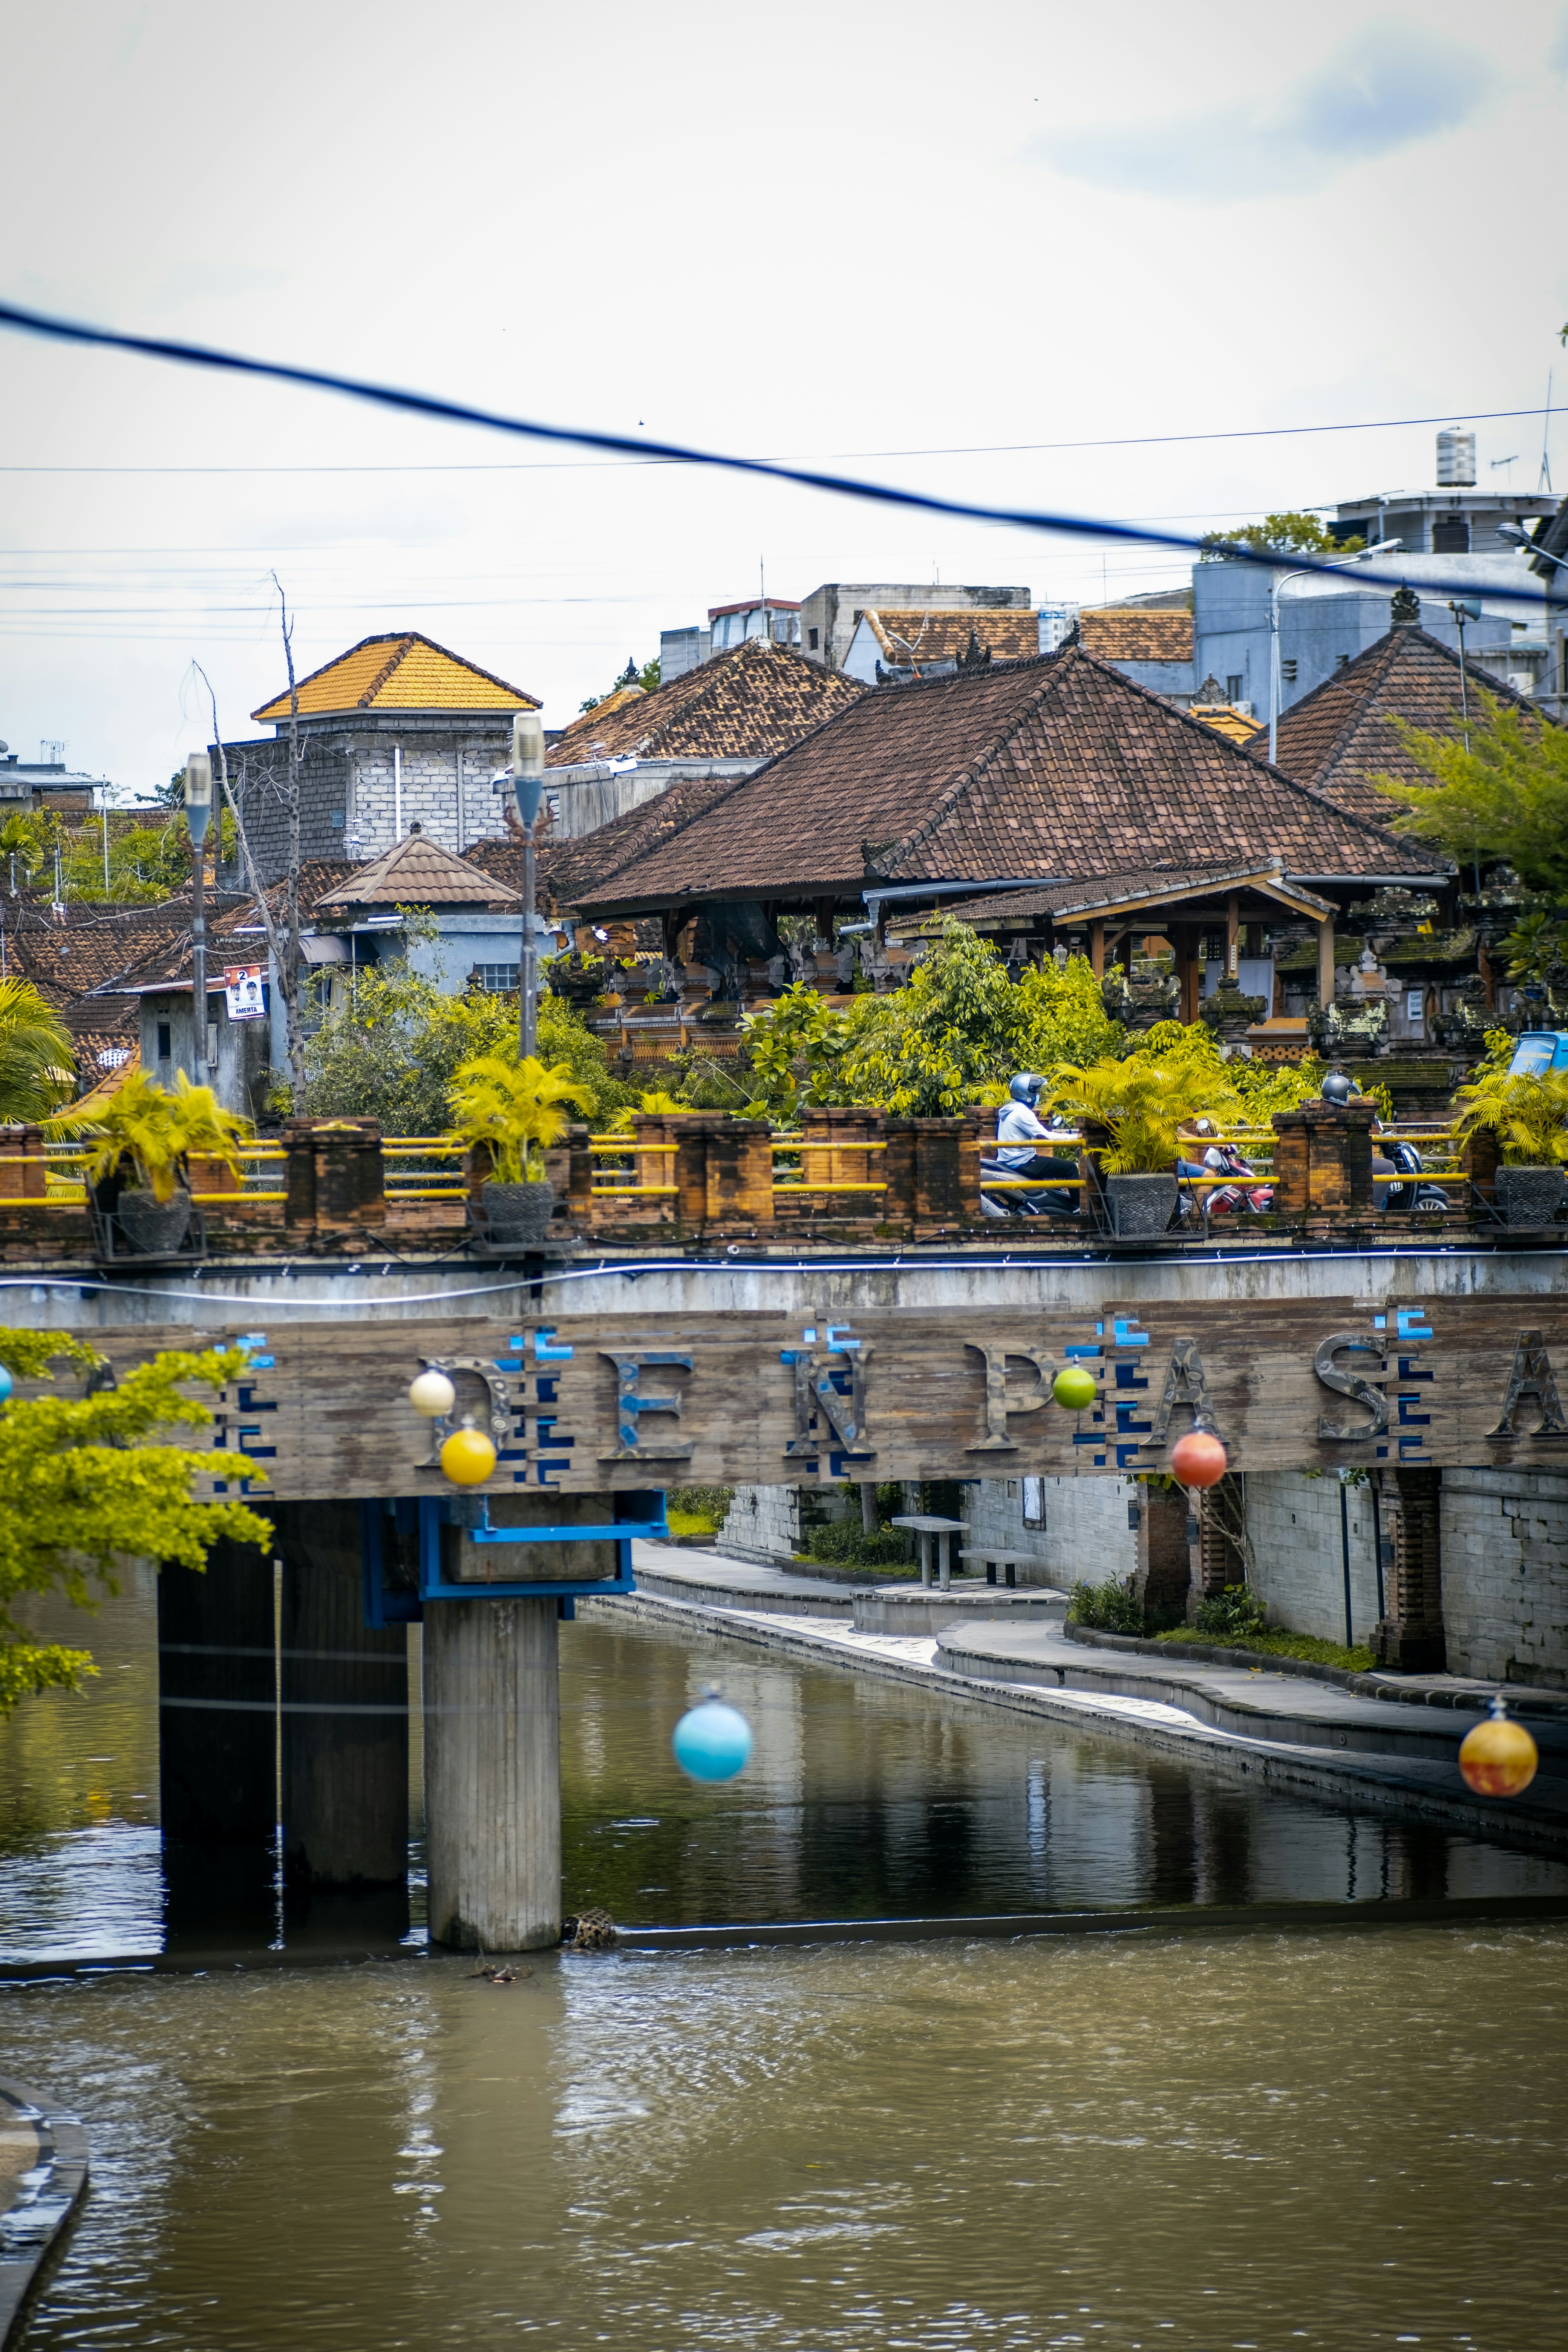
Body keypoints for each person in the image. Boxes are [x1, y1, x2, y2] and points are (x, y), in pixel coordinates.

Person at [993, 1074, 1081, 1213]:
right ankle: (1080, 1208)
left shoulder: (1011, 1110)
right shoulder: (1022, 1112)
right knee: (1070, 1169)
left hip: (1011, 1161)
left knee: (1055, 1181)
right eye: (1036, 1092)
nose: (1038, 1095)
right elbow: (1044, 1137)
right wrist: (1078, 1139)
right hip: (1024, 1162)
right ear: (1027, 1092)